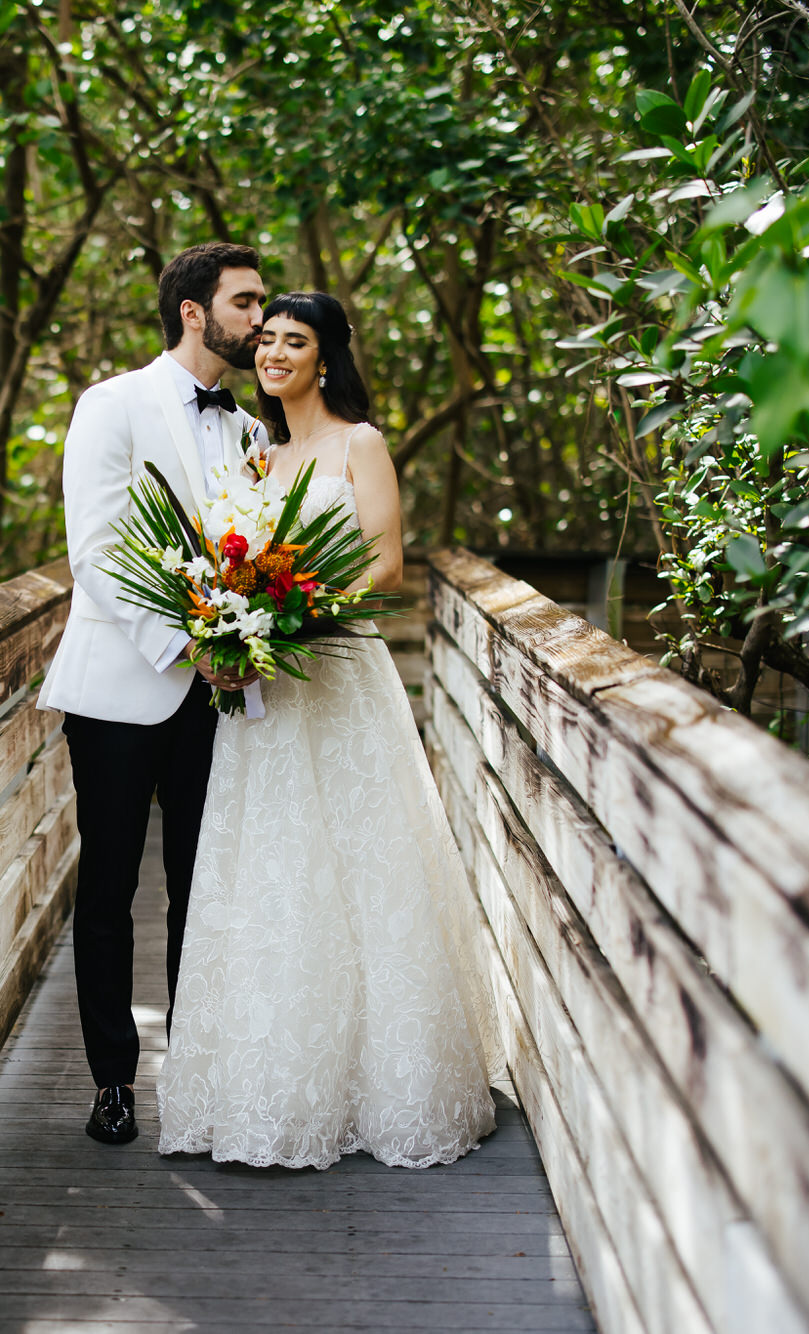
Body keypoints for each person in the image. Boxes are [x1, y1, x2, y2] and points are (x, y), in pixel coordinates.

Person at [157, 291, 502, 1170]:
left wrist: (296, 615)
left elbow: (386, 563)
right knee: (269, 870)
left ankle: (386, 1082)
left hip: (339, 675)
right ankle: (266, 1083)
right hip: (265, 696)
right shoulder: (256, 455)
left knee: (364, 863)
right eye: (265, 340)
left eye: (293, 342)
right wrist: (227, 630)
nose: (272, 354)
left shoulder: (361, 444)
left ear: (326, 356)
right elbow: (224, 563)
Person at [36, 242, 266, 1145]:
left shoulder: (252, 434)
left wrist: (247, 645)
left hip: (220, 699)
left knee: (201, 890)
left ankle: (196, 1079)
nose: (260, 319)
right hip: (118, 691)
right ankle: (112, 1083)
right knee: (108, 889)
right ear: (194, 311)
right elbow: (91, 548)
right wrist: (185, 646)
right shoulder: (112, 404)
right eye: (245, 304)